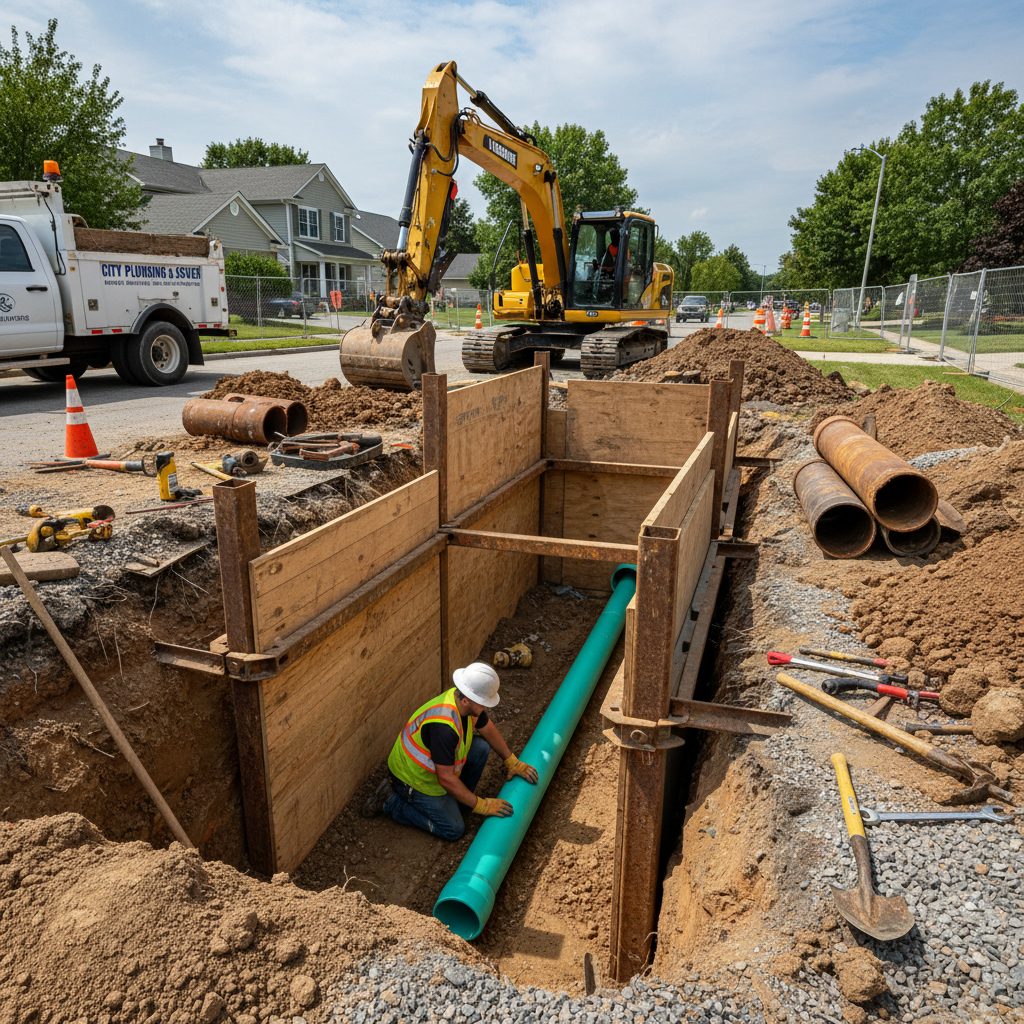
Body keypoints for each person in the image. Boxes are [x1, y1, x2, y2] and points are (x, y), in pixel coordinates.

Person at [363, 663, 539, 840]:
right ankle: (390, 801)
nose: (485, 708)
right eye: (483, 703)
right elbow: (445, 778)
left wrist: (512, 761)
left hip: (435, 768)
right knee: (453, 829)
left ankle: (460, 802)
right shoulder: (444, 727)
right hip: (412, 779)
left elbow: (487, 727)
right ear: (466, 700)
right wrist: (482, 805)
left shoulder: (462, 700)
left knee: (480, 749)